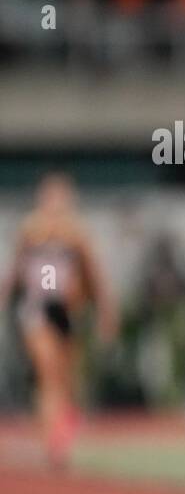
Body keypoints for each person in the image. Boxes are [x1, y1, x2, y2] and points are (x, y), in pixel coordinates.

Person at [1, 173, 118, 469]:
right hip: (37, 308)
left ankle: (61, 430)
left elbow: (95, 274)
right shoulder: (31, 229)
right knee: (48, 371)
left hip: (67, 311)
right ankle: (54, 444)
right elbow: (15, 270)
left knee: (67, 379)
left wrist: (106, 312)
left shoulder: (76, 233)